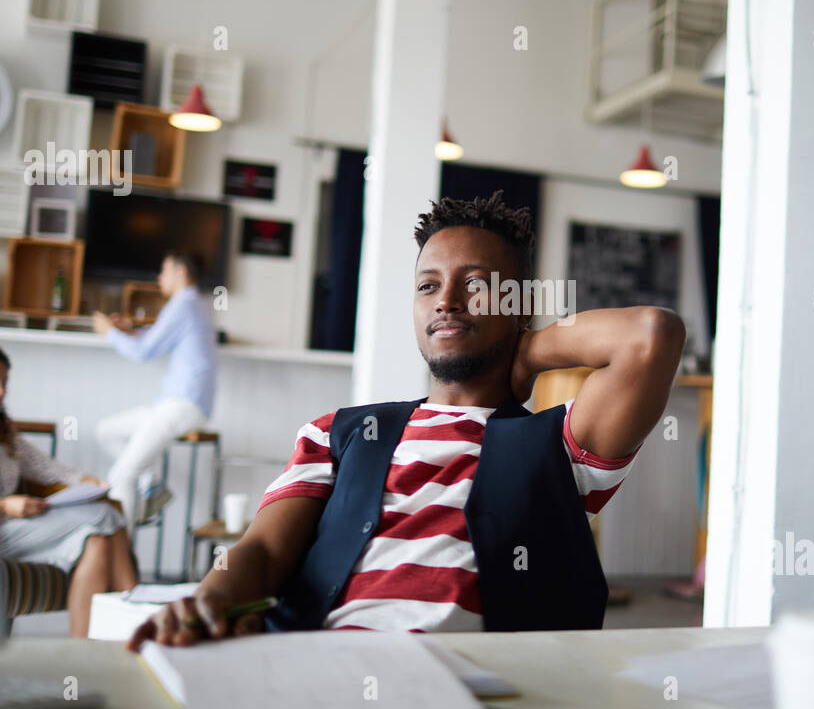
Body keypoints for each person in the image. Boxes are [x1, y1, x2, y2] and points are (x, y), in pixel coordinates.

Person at [128, 190, 684, 649]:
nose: (446, 300)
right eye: (428, 285)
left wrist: (527, 346)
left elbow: (650, 336)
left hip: (483, 691)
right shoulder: (336, 433)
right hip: (323, 667)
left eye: (476, 285)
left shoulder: (559, 443)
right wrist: (213, 600)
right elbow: (266, 551)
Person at [0, 340, 138, 638]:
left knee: (97, 542)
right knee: (103, 517)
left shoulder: (2, 434)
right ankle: (136, 625)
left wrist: (87, 481)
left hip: (17, 529)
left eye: (4, 383)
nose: (0, 392)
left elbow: (49, 469)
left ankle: (82, 652)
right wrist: (2, 507)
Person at [92, 251, 217, 530]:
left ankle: (119, 557)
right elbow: (154, 340)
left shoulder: (183, 304)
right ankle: (151, 484)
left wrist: (109, 333)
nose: (159, 278)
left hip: (182, 406)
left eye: (164, 271)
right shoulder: (193, 304)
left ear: (181, 272)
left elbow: (145, 353)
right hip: (175, 405)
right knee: (106, 430)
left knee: (122, 475)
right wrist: (127, 331)